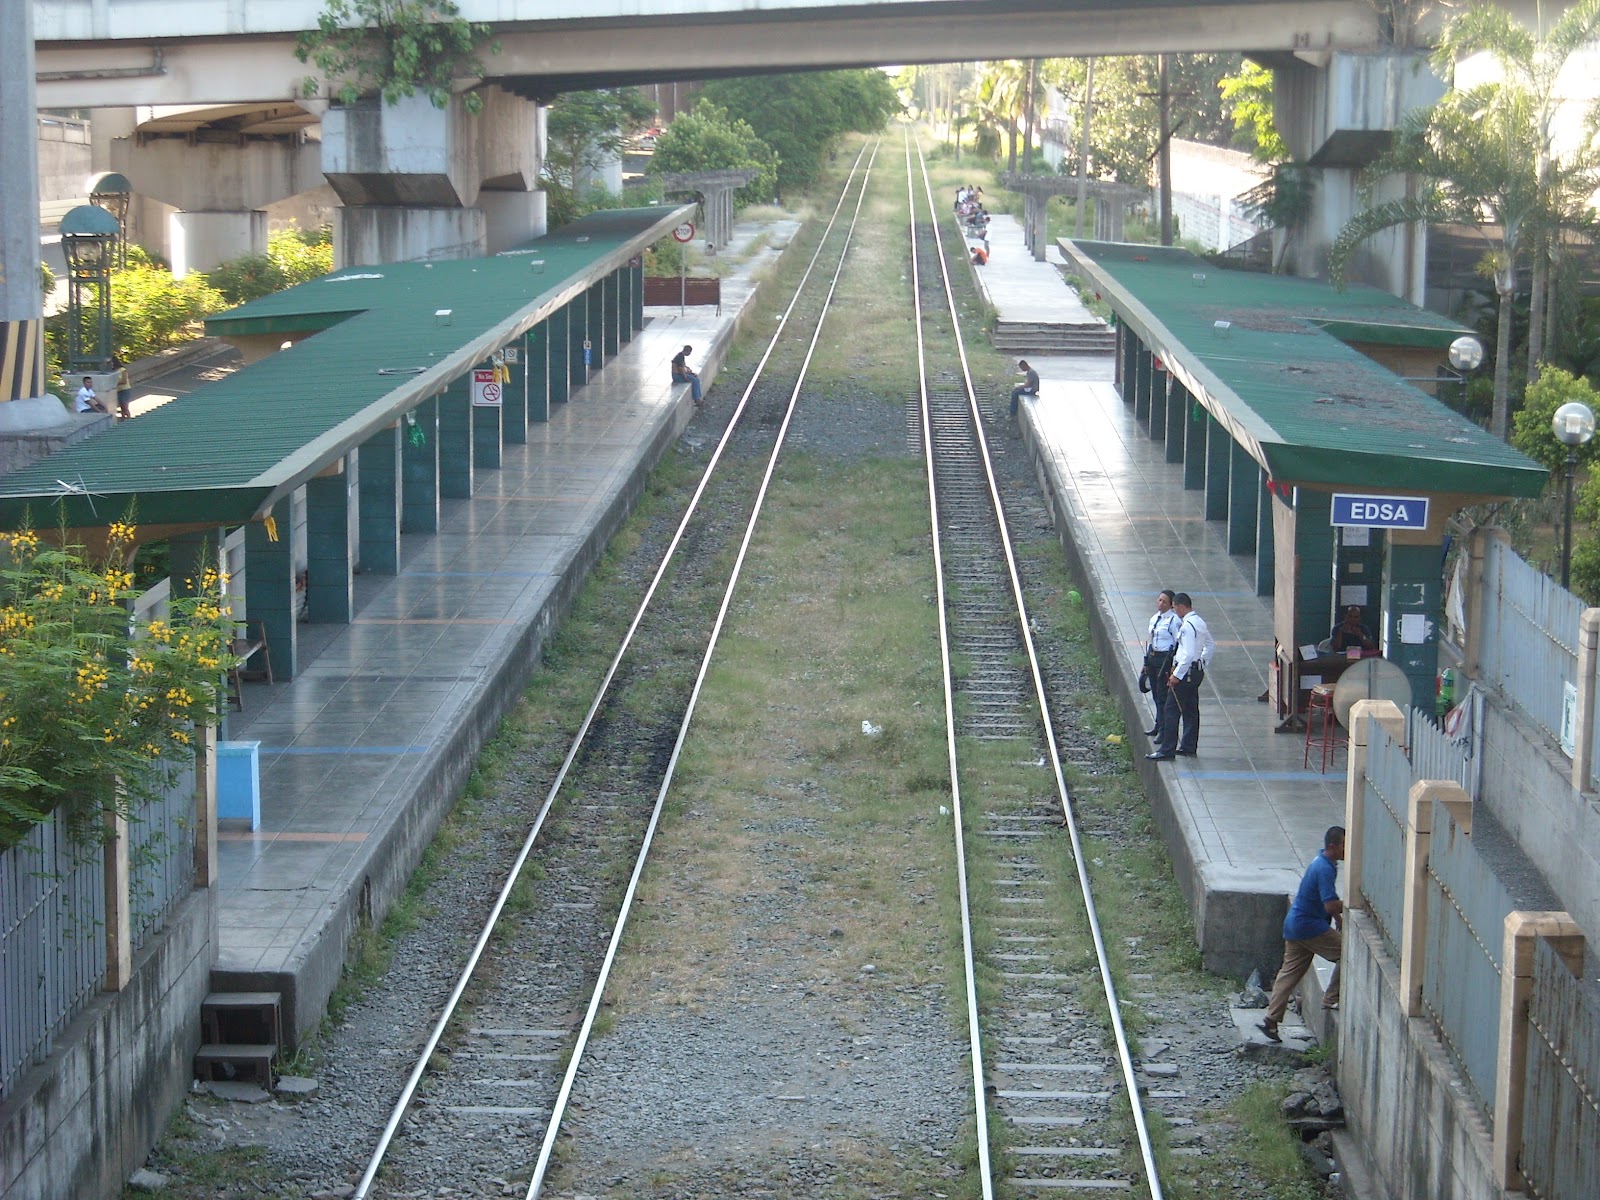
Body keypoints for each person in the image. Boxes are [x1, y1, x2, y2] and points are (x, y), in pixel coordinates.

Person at [1260, 826, 1345, 1042]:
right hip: (1309, 927)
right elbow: (1330, 904)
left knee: (1289, 974)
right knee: (1348, 954)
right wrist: (1353, 905)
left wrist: (1338, 919)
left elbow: (1325, 903)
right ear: (1333, 847)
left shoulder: (1321, 862)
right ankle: (1330, 998)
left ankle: (1271, 1020)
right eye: (1345, 845)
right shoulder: (1325, 869)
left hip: (1294, 925)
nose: (1348, 849)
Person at [1147, 592, 1215, 761]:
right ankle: (1188, 746)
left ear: (1180, 606)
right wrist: (1201, 663)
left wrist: (1177, 675)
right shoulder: (1199, 621)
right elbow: (1210, 645)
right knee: (1191, 709)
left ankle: (1167, 749)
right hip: (1196, 672)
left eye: (1175, 607)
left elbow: (1188, 653)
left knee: (1171, 710)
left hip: (1185, 673)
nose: (1175, 611)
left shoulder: (1186, 626)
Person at [1139, 589, 1182, 737]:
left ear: (1171, 605)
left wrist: (1173, 665)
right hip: (1153, 657)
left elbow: (1177, 642)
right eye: (1159, 600)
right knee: (1156, 694)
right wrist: (1146, 661)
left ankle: (1164, 730)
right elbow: (1151, 639)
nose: (1160, 603)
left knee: (1163, 696)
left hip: (1164, 658)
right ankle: (1158, 725)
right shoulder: (1155, 618)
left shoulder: (1174, 621)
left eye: (1164, 601)